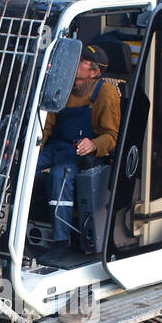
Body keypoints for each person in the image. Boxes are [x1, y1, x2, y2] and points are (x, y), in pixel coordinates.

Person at [36, 44, 121, 247]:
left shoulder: (105, 93)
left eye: (81, 59)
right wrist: (33, 149)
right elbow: (47, 125)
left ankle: (61, 241)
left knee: (60, 176)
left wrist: (92, 144)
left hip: (78, 154)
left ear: (94, 71)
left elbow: (111, 135)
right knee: (25, 169)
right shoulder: (62, 86)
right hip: (55, 147)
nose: (74, 61)